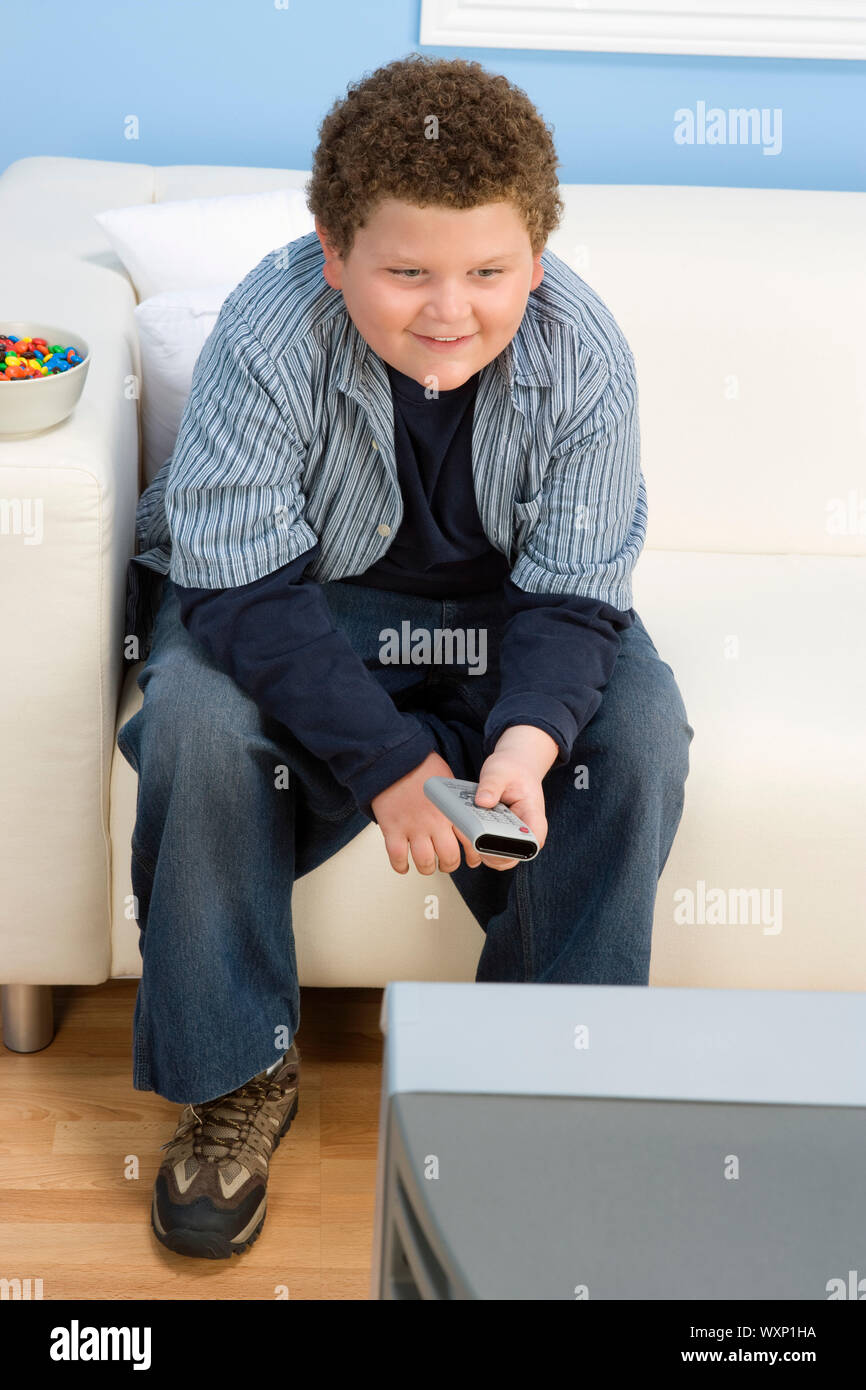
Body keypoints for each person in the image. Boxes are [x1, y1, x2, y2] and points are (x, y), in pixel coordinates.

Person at [117, 53, 693, 1261]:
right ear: (333, 252)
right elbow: (234, 585)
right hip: (288, 601)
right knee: (191, 721)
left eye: (489, 272)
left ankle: (535, 1079)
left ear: (534, 258)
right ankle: (234, 1077)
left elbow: (578, 593)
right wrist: (383, 763)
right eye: (406, 272)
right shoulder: (270, 330)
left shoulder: (584, 354)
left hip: (508, 620)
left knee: (634, 730)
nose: (449, 309)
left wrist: (529, 738)